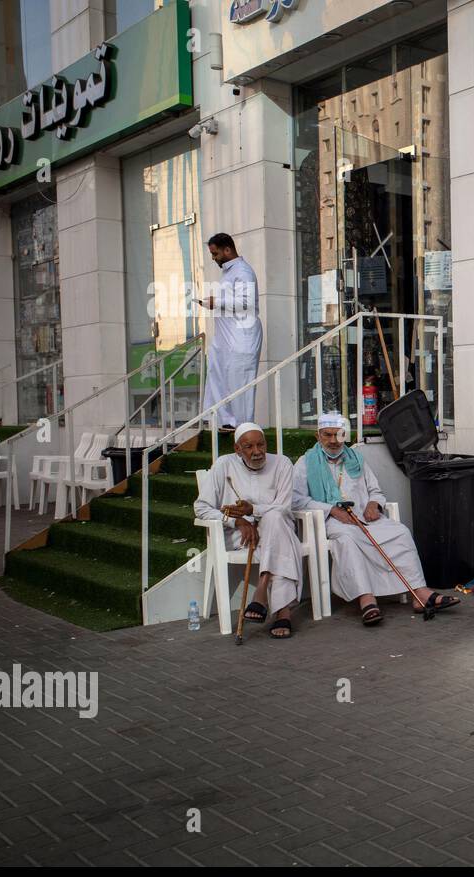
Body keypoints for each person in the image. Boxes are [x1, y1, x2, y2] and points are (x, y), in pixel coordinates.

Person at [292, 412, 460, 624]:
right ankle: (366, 599)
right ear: (318, 436)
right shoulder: (305, 463)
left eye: (338, 435)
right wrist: (332, 510)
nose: (333, 441)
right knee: (348, 540)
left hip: (367, 518)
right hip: (334, 522)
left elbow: (375, 490)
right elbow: (297, 500)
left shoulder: (356, 460)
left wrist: (374, 504)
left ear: (345, 435)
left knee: (401, 532)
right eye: (328, 435)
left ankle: (420, 593)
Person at [193, 422, 304, 638]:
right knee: (279, 534)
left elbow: (284, 506)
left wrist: (254, 510)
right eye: (249, 447)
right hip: (242, 535)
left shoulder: (282, 463)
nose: (257, 452)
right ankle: (282, 612)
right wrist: (237, 521)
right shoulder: (224, 465)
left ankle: (262, 592)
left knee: (274, 519)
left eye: (261, 445)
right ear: (237, 449)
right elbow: (201, 507)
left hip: (276, 529)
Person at [200, 233, 261, 432]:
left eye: (215, 253)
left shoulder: (243, 271)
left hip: (242, 337)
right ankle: (228, 422)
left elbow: (246, 302)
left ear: (227, 249)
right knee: (220, 377)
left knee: (239, 380)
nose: (213, 258)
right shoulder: (228, 273)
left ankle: (244, 427)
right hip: (226, 338)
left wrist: (216, 302)